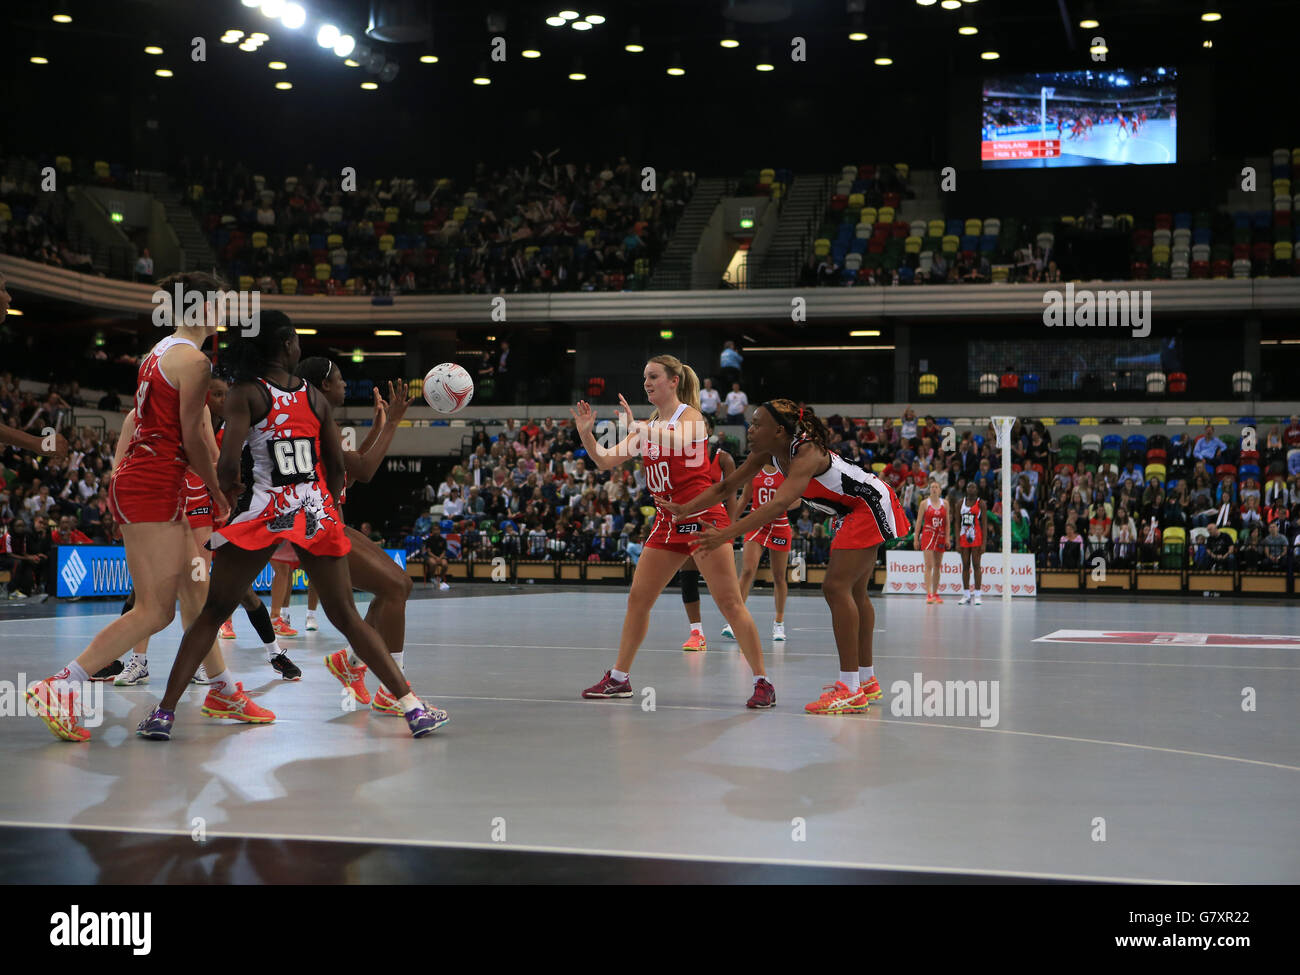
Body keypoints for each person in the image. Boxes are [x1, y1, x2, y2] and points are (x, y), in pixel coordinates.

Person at [136, 312, 447, 740]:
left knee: (211, 615)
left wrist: (228, 490)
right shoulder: (316, 401)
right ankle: (412, 708)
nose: (300, 347)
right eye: (296, 340)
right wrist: (326, 501)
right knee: (349, 619)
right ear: (285, 345)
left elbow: (226, 463)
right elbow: (339, 469)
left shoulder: (246, 393)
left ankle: (163, 715)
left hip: (265, 513)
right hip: (313, 514)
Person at [26, 272, 254, 743]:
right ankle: (63, 684)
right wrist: (215, 492)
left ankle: (223, 688)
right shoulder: (194, 361)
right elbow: (192, 437)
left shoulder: (159, 350)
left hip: (148, 480)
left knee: (197, 592)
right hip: (152, 484)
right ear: (203, 309)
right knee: (156, 611)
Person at [660, 399, 909, 715]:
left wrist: (727, 533)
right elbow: (726, 487)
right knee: (856, 593)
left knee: (835, 588)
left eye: (756, 424)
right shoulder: (769, 452)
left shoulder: (807, 455)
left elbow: (778, 505)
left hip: (868, 504)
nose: (750, 430)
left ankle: (850, 690)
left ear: (778, 430)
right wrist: (685, 508)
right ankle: (866, 680)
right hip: (853, 507)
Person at [571, 355, 774, 708]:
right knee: (638, 599)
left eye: (653, 377)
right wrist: (587, 435)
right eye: (644, 378)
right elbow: (604, 461)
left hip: (703, 517)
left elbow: (679, 443)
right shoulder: (649, 424)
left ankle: (763, 682)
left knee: (728, 602)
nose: (647, 383)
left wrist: (637, 428)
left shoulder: (691, 417)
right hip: (667, 522)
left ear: (673, 381)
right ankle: (619, 678)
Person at [297, 357, 440, 712]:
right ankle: (393, 688)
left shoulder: (314, 418)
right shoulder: (310, 421)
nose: (347, 385)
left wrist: (380, 427)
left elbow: (355, 467)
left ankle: (351, 661)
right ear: (323, 386)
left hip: (326, 520)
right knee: (394, 587)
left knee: (397, 585)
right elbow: (364, 467)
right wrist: (392, 422)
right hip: (310, 524)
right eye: (341, 380)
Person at [679, 426, 739, 651]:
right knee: (688, 576)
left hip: (715, 521)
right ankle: (697, 633)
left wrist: (731, 529)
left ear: (710, 430)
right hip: (688, 520)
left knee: (725, 585)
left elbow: (731, 493)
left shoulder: (723, 458)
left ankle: (740, 628)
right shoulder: (682, 452)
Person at [723, 459, 797, 641]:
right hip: (756, 523)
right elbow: (745, 497)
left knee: (779, 577)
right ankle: (735, 622)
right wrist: (730, 523)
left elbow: (798, 500)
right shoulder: (755, 468)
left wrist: (780, 505)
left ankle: (779, 623)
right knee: (748, 570)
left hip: (779, 525)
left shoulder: (787, 470)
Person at [915, 478, 948, 603]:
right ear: (929, 490)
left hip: (940, 535)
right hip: (928, 535)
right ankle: (929, 594)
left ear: (940, 490)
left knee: (938, 566)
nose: (934, 489)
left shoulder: (945, 503)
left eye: (936, 487)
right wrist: (916, 538)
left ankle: (935, 593)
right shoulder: (924, 503)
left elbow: (947, 522)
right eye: (932, 487)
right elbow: (919, 521)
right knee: (929, 565)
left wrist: (948, 537)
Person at [956, 482, 987, 605]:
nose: (971, 488)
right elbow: (957, 523)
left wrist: (984, 543)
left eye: (973, 486)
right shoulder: (960, 503)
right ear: (966, 489)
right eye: (969, 486)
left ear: (977, 489)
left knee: (976, 565)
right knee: (965, 565)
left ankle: (978, 594)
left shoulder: (981, 504)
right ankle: (966, 594)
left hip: (976, 537)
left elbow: (984, 524)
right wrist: (957, 542)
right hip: (963, 537)